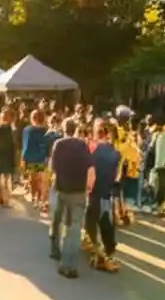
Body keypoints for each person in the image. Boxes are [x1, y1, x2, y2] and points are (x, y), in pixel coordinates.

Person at [49, 118, 94, 278]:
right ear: (76, 129)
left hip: (62, 188)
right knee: (74, 228)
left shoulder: (58, 145)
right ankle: (70, 265)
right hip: (78, 191)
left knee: (57, 219)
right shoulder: (82, 145)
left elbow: (52, 168)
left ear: (63, 128)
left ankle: (55, 249)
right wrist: (88, 187)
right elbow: (90, 168)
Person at [85, 121, 122, 272]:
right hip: (106, 193)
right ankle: (108, 252)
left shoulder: (91, 151)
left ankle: (95, 247)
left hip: (92, 192)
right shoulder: (115, 154)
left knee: (91, 220)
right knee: (106, 222)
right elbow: (117, 177)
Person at [20, 110, 49, 212]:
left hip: (31, 159)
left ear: (33, 118)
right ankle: (40, 199)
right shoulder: (46, 130)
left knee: (33, 180)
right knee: (41, 181)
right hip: (42, 158)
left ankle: (34, 198)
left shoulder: (27, 130)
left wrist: (23, 159)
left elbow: (25, 146)